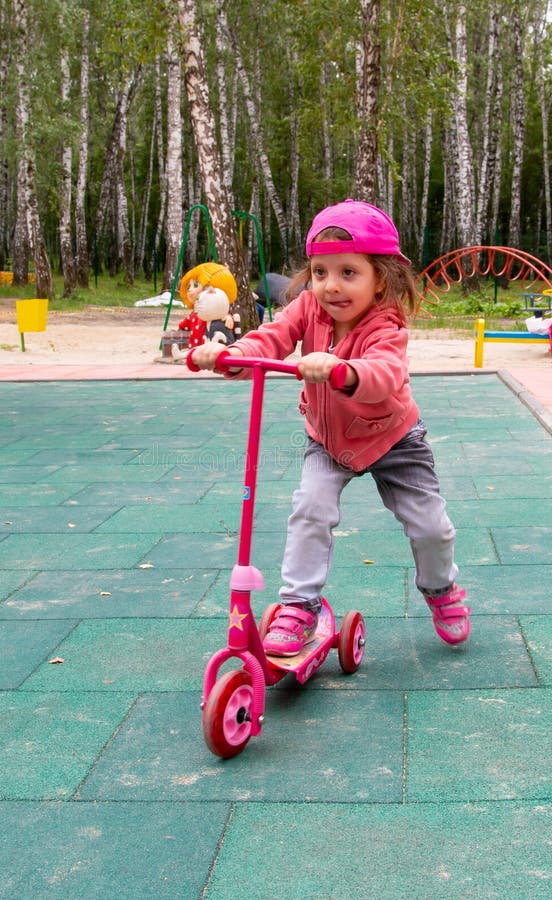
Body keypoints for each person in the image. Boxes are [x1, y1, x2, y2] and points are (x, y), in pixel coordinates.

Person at [191, 199, 471, 656]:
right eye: (320, 272)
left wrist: (345, 371)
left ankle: (440, 589)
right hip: (329, 441)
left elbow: (385, 375)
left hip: (394, 440)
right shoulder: (307, 308)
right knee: (310, 508)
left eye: (348, 272)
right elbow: (272, 337)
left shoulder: (387, 324)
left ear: (380, 278)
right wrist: (231, 356)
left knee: (431, 527)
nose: (331, 287)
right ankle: (299, 606)